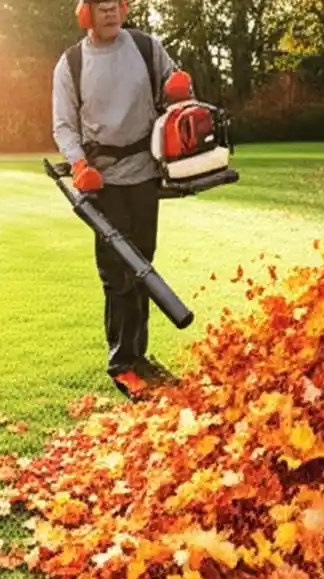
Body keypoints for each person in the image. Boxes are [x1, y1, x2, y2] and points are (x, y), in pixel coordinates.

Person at [52, 0, 193, 400]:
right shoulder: (72, 63)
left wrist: (180, 90)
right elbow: (63, 124)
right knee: (118, 273)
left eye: (116, 5)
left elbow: (178, 95)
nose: (110, 12)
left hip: (145, 174)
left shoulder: (148, 47)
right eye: (102, 7)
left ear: (124, 9)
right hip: (102, 181)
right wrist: (79, 165)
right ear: (87, 14)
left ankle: (140, 355)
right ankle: (122, 364)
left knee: (143, 267)